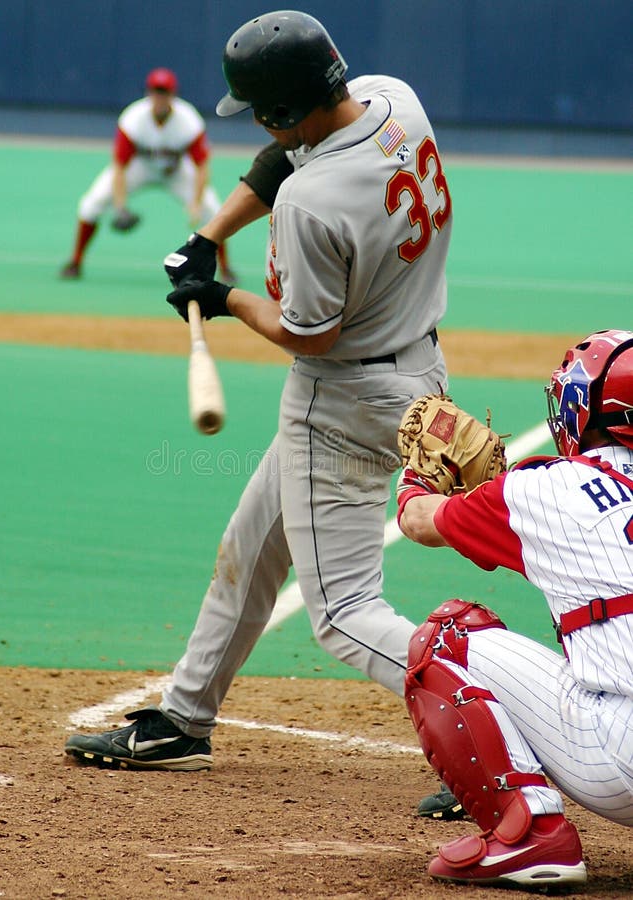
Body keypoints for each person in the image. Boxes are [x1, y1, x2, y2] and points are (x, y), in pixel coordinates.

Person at [65, 10, 452, 783]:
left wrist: (224, 295)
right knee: (253, 542)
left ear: (279, 110)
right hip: (416, 368)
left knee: (343, 613)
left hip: (342, 397)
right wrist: (210, 233)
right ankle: (184, 716)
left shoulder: (314, 204)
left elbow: (309, 333)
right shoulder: (393, 99)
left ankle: (496, 723)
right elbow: (292, 150)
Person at [395, 329, 633, 888]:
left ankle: (529, 833)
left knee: (447, 636)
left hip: (622, 759)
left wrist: (419, 479)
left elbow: (418, 521)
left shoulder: (540, 489)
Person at [59, 67, 234, 281]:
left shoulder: (189, 120)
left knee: (213, 210)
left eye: (164, 91)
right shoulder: (133, 118)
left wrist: (196, 204)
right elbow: (120, 166)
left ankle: (225, 269)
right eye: (156, 91)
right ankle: (75, 262)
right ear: (148, 93)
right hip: (139, 167)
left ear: (173, 94)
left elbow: (202, 167)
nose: (159, 97)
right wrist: (121, 206)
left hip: (177, 169)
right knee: (90, 204)